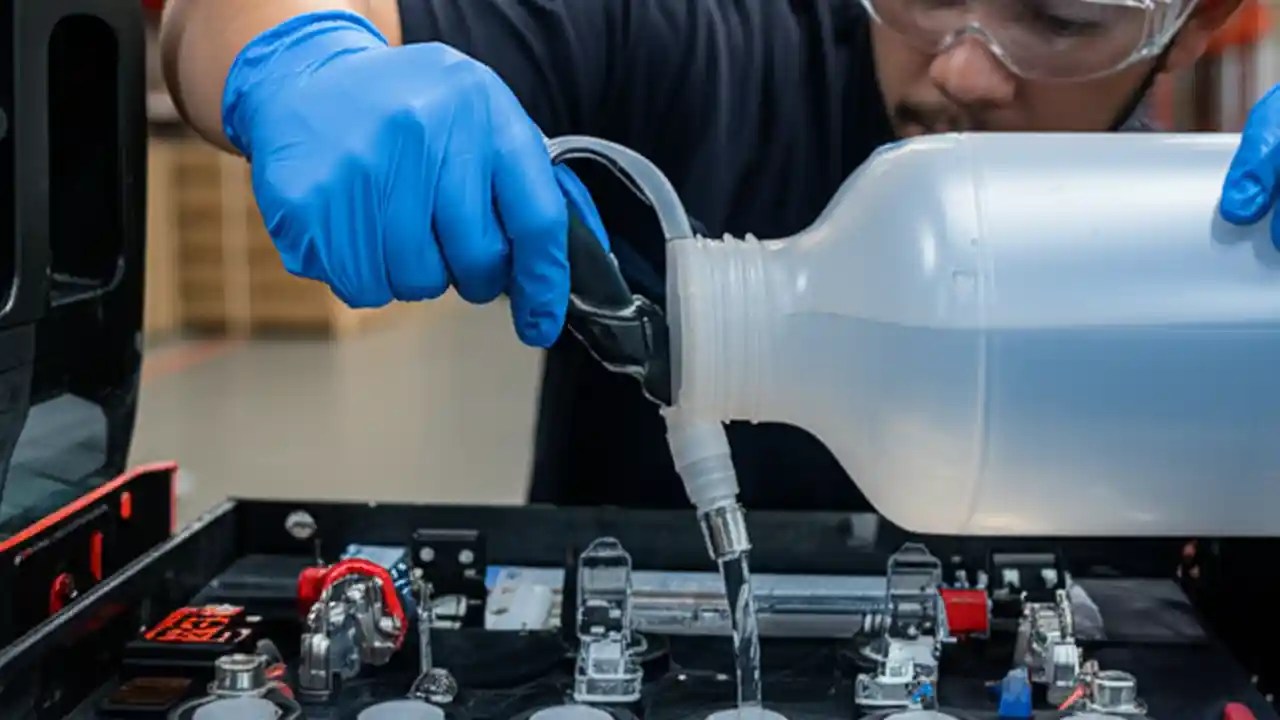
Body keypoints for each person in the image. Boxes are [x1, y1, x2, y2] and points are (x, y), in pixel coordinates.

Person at [160, 0, 1280, 513]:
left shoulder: (1224, 246)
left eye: (1056, 20)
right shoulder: (707, 41)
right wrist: (306, 62)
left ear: (1188, 26)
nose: (965, 69)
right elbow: (218, 17)